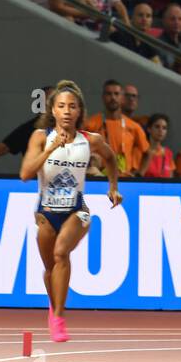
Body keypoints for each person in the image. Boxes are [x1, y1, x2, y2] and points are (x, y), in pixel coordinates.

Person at [19, 81, 122, 343]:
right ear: (52, 110)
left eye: (72, 107)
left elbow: (111, 158)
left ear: (79, 112)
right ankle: (53, 310)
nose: (67, 111)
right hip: (46, 211)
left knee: (61, 252)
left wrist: (113, 187)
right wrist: (51, 150)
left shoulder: (90, 140)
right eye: (61, 106)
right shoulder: (41, 137)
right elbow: (25, 174)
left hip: (77, 210)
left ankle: (60, 316)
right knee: (49, 268)